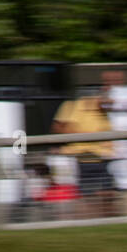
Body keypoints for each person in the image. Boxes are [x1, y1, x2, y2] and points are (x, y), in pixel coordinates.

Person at [52, 85, 117, 218]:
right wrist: (92, 136)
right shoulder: (77, 107)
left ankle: (105, 219)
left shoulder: (102, 113)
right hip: (83, 158)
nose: (107, 102)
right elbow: (64, 129)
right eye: (103, 98)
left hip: (102, 158)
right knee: (89, 196)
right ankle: (88, 219)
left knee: (107, 194)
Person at [99, 68, 127, 191]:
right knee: (115, 161)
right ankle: (120, 185)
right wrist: (106, 96)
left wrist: (110, 101)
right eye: (107, 80)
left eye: (113, 79)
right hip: (111, 132)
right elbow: (102, 105)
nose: (110, 82)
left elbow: (125, 103)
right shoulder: (106, 91)